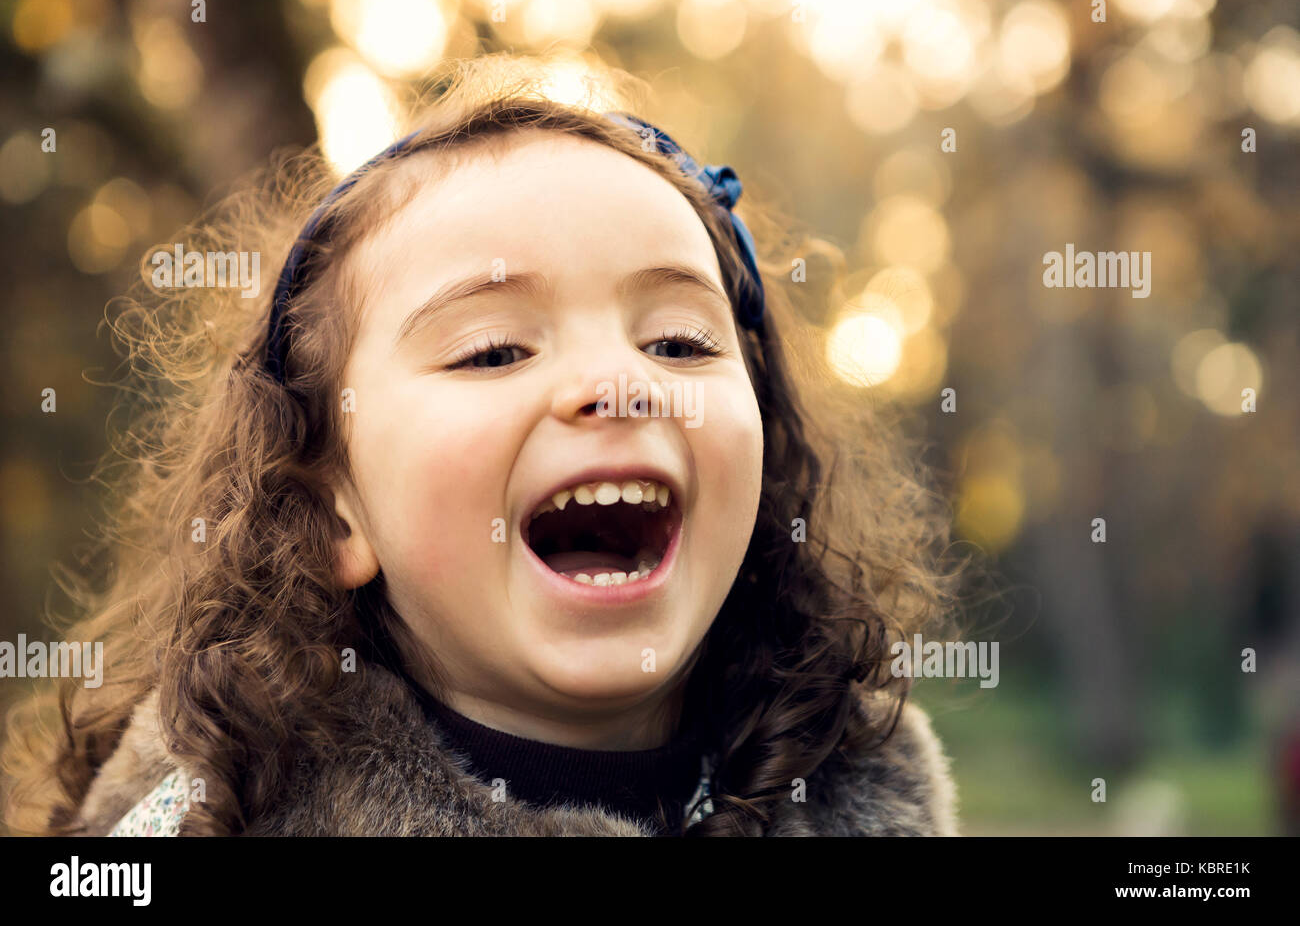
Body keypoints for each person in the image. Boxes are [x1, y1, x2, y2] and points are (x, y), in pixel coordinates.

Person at [2, 53, 961, 836]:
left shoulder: (861, 797)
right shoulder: (202, 814)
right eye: (492, 349)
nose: (616, 384)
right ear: (334, 510)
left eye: (678, 342)